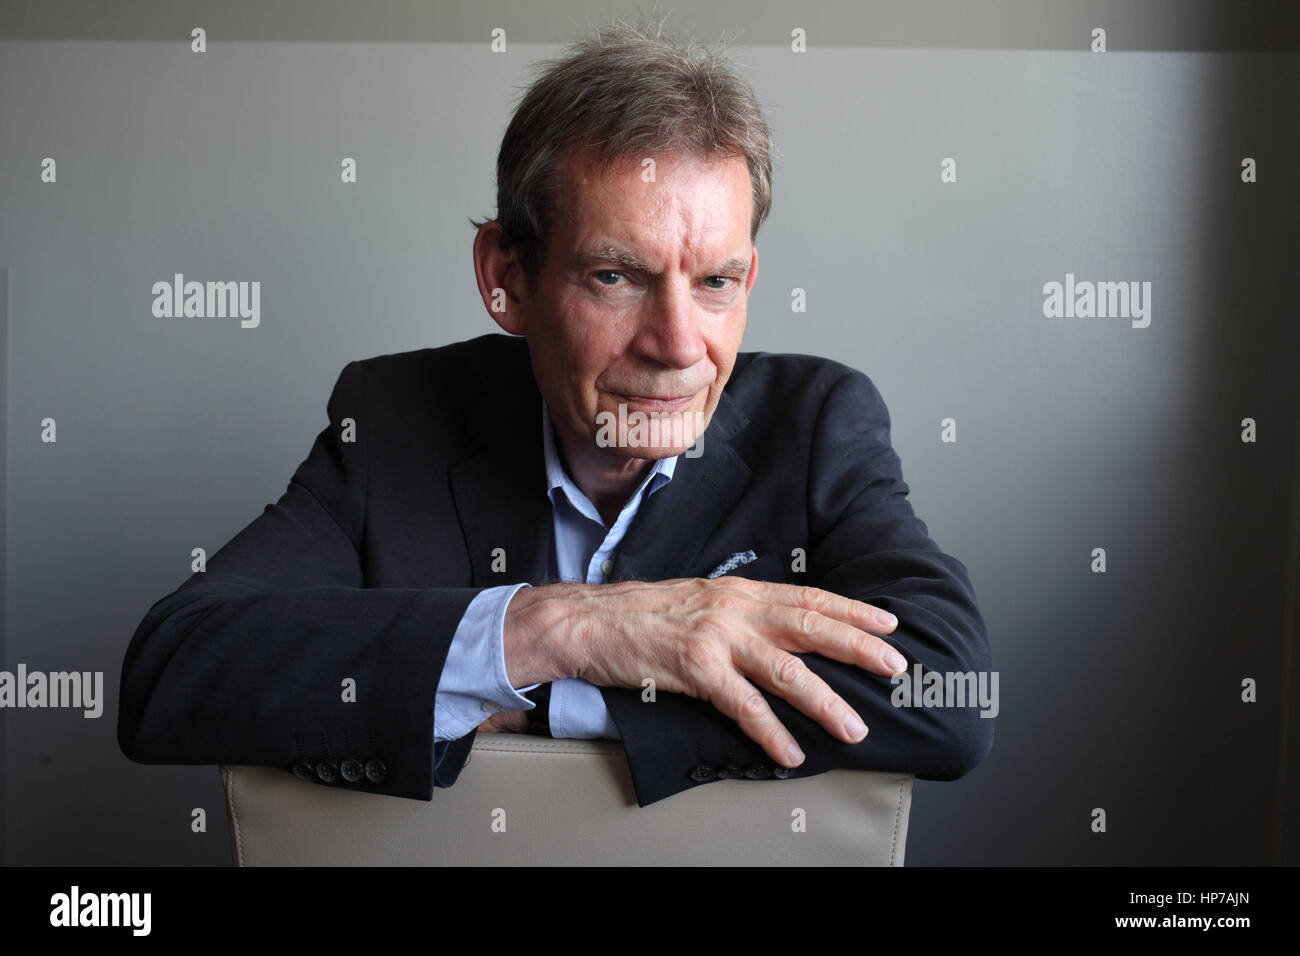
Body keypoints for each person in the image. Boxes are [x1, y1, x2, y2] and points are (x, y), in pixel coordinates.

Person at [117, 20, 994, 808]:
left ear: (749, 280)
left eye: (716, 282)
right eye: (616, 276)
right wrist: (558, 630)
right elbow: (175, 672)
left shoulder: (816, 423)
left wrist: (535, 700)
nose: (678, 345)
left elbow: (949, 692)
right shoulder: (392, 421)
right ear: (507, 276)